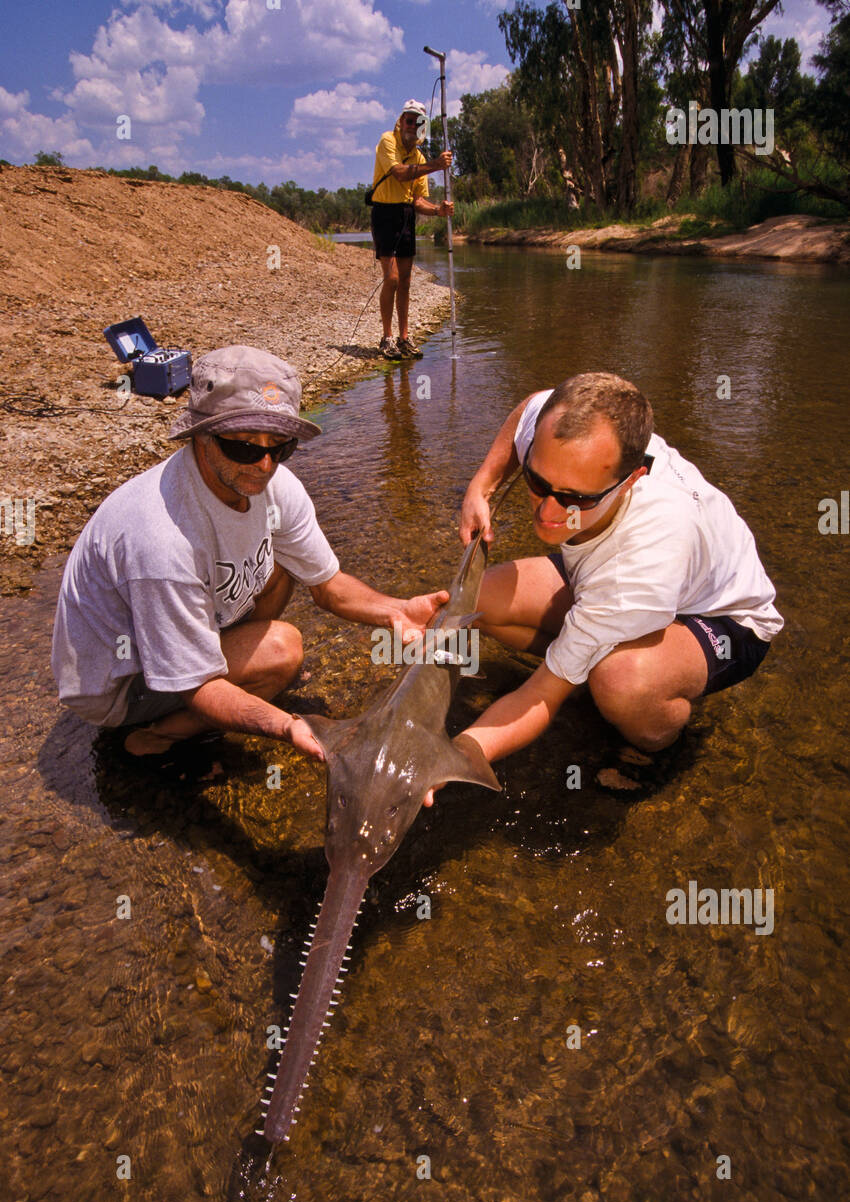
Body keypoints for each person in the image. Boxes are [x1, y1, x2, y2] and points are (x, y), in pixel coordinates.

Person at [51, 345, 449, 760]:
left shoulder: (275, 487)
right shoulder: (161, 541)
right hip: (119, 683)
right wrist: (284, 723)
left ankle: (228, 663)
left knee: (283, 566)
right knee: (283, 650)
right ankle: (160, 735)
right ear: (200, 435)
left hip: (165, 628)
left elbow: (327, 584)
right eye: (243, 447)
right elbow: (198, 685)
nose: (264, 465)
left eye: (280, 447)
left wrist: (395, 611)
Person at [425, 371, 782, 799]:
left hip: (723, 617)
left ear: (630, 480)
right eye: (538, 483)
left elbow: (540, 697)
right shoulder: (556, 425)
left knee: (620, 680)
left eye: (576, 498)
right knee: (471, 602)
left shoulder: (643, 561)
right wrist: (479, 488)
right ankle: (582, 658)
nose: (548, 512)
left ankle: (653, 744)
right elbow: (528, 408)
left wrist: (456, 756)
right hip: (620, 583)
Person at [369, 99, 454, 361]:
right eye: (409, 119)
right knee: (392, 278)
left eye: (418, 122)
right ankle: (386, 338)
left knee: (405, 281)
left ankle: (404, 338)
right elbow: (400, 173)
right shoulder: (388, 141)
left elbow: (418, 200)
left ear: (422, 127)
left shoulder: (418, 156)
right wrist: (436, 165)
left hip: (406, 216)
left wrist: (438, 210)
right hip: (384, 213)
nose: (412, 125)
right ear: (401, 120)